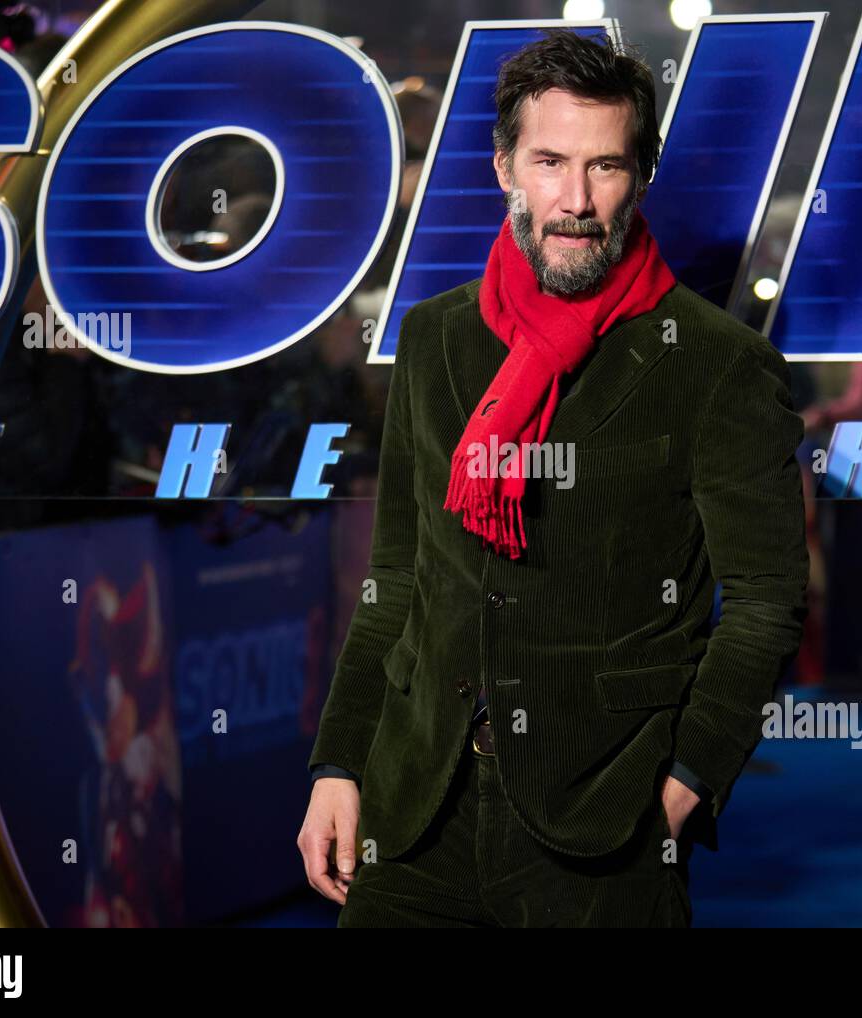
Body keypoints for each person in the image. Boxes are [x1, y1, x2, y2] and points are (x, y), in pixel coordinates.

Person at [297, 29, 808, 927]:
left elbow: (764, 604)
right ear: (504, 168)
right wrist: (340, 764)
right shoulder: (433, 340)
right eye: (549, 162)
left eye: (605, 167)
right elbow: (397, 585)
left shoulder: (718, 364)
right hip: (417, 809)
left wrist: (684, 787)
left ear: (640, 176)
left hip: (605, 825)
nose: (575, 201)